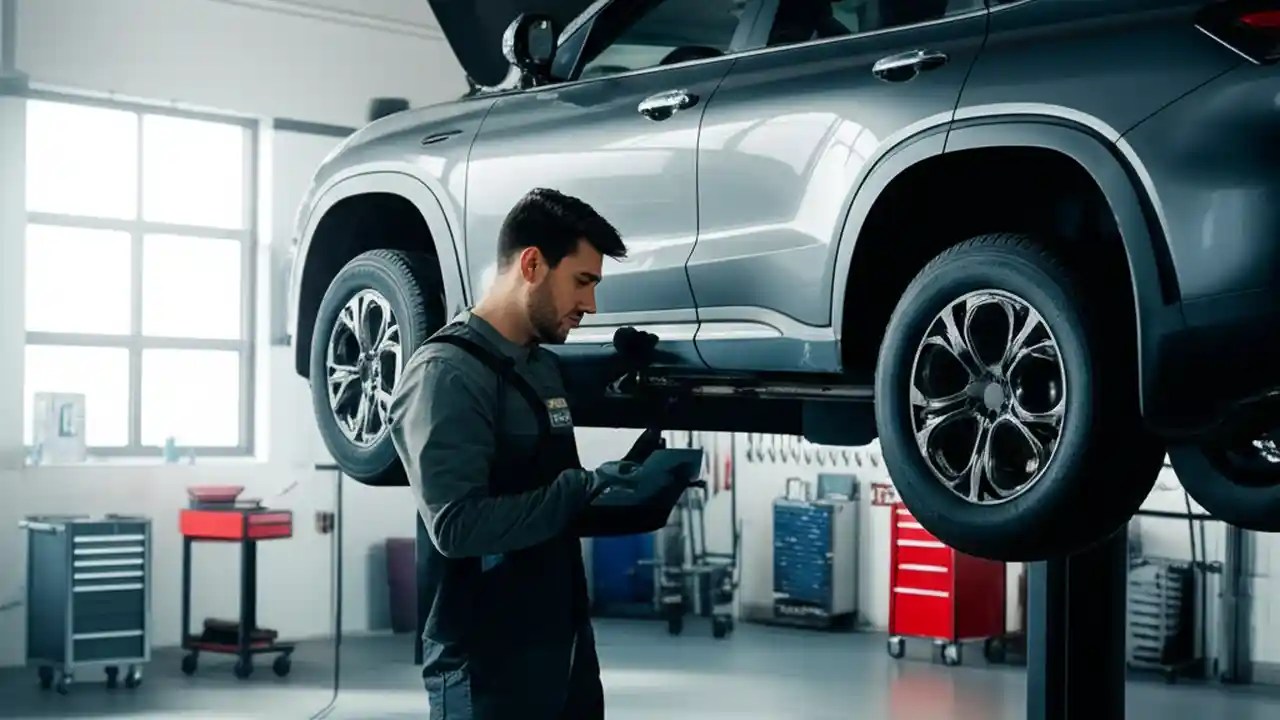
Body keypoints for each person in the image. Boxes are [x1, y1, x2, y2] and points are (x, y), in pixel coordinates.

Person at [388, 187, 688, 719]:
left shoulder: (539, 365)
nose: (590, 305)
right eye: (582, 281)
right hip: (485, 664)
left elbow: (546, 497)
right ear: (531, 264)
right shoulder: (447, 374)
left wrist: (636, 485)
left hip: (561, 645)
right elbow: (457, 527)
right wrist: (581, 486)